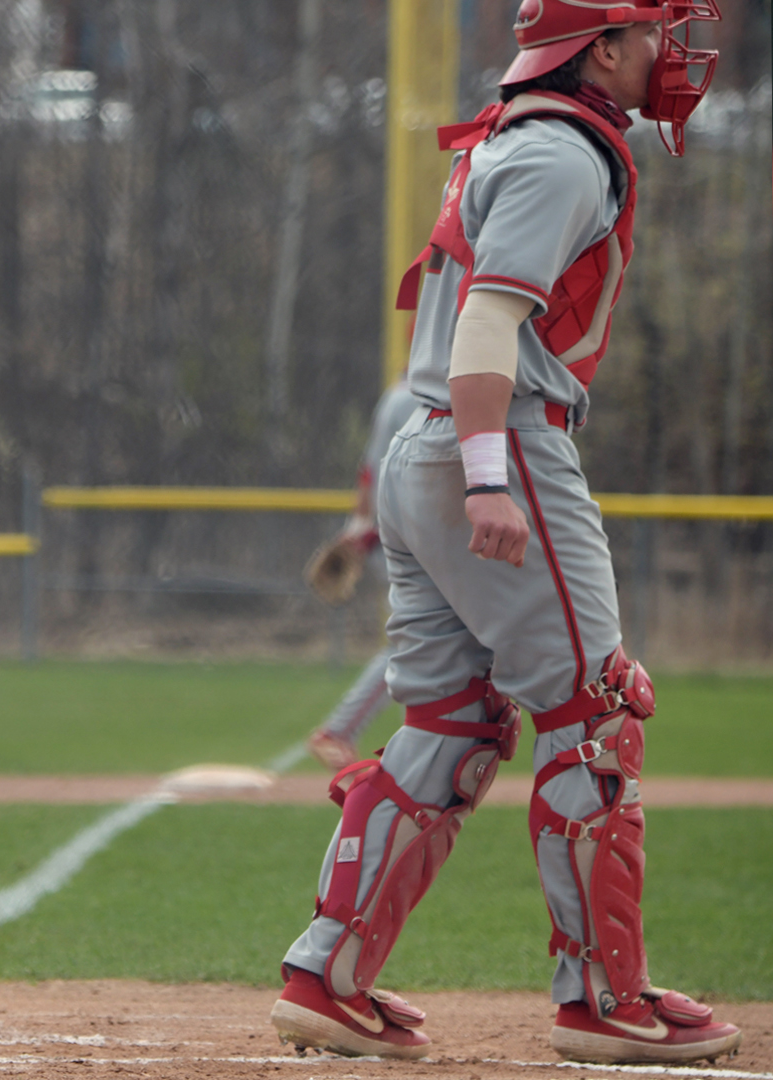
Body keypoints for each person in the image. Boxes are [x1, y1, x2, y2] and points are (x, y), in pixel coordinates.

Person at [269, 1, 742, 1065]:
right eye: (650, 34)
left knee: (451, 721)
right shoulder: (567, 152)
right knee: (597, 711)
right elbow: (489, 318)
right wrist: (491, 479)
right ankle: (604, 1000)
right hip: (497, 440)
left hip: (424, 445)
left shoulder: (511, 132)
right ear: (600, 48)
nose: (670, 52)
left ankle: (326, 976)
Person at [303, 377, 417, 772]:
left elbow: (369, 471)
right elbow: (378, 472)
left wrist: (358, 527)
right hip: (413, 540)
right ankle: (340, 730)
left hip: (404, 537)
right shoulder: (416, 396)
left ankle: (416, 745)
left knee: (429, 645)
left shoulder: (398, 396)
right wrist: (360, 530)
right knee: (419, 642)